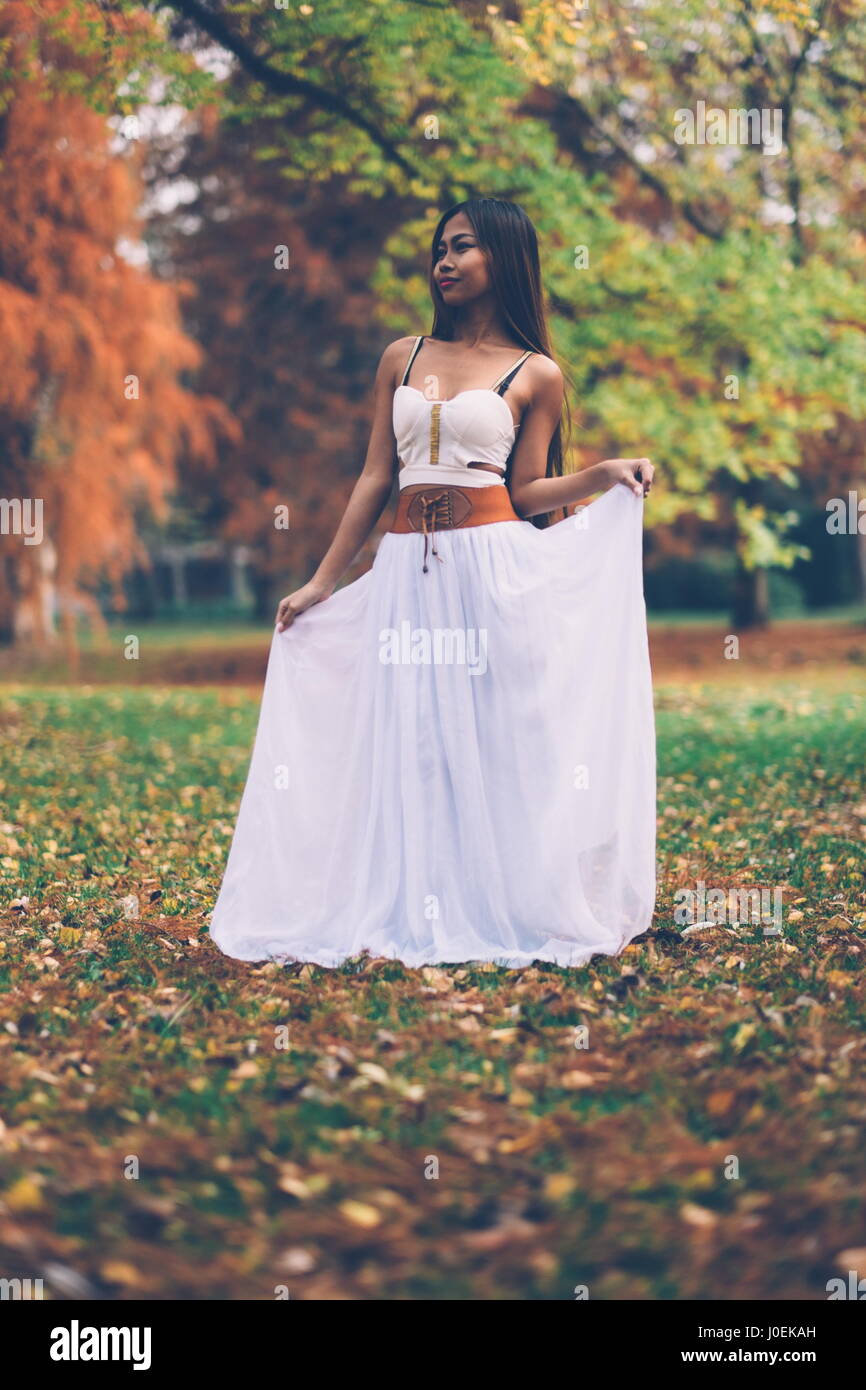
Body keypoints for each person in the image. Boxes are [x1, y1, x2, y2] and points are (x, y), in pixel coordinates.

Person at [209, 196, 657, 969]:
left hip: (489, 568)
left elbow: (524, 492)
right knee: (407, 737)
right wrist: (323, 581)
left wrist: (603, 473)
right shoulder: (403, 357)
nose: (444, 262)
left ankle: (503, 901)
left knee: (490, 737)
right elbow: (377, 476)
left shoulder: (536, 374)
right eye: (440, 249)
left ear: (504, 260)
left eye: (464, 248)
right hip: (404, 577)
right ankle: (405, 899)